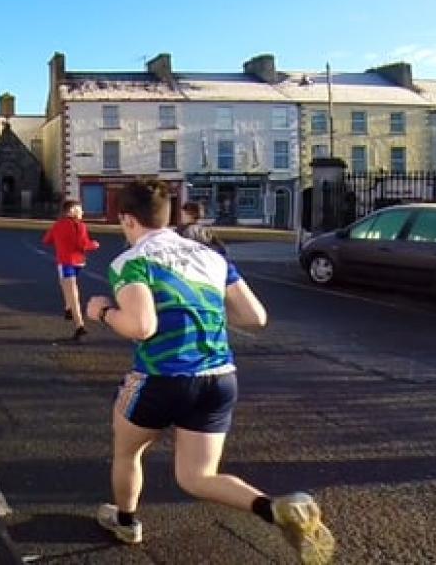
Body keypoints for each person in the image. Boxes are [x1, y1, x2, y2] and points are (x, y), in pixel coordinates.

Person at [84, 179, 334, 564]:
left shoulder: (131, 261)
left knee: (128, 452)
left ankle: (126, 521)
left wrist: (101, 310)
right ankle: (274, 508)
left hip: (160, 379)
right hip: (218, 378)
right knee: (197, 477)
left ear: (128, 220)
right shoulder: (212, 257)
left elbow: (141, 327)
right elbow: (255, 316)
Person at [42, 198, 100, 341]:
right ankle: (68, 309)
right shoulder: (80, 225)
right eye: (80, 209)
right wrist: (94, 244)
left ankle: (79, 324)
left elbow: (46, 240)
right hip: (79, 262)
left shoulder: (58, 225)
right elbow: (83, 244)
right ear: (72, 210)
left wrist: (60, 242)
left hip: (65, 261)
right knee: (69, 287)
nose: (82, 212)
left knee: (71, 290)